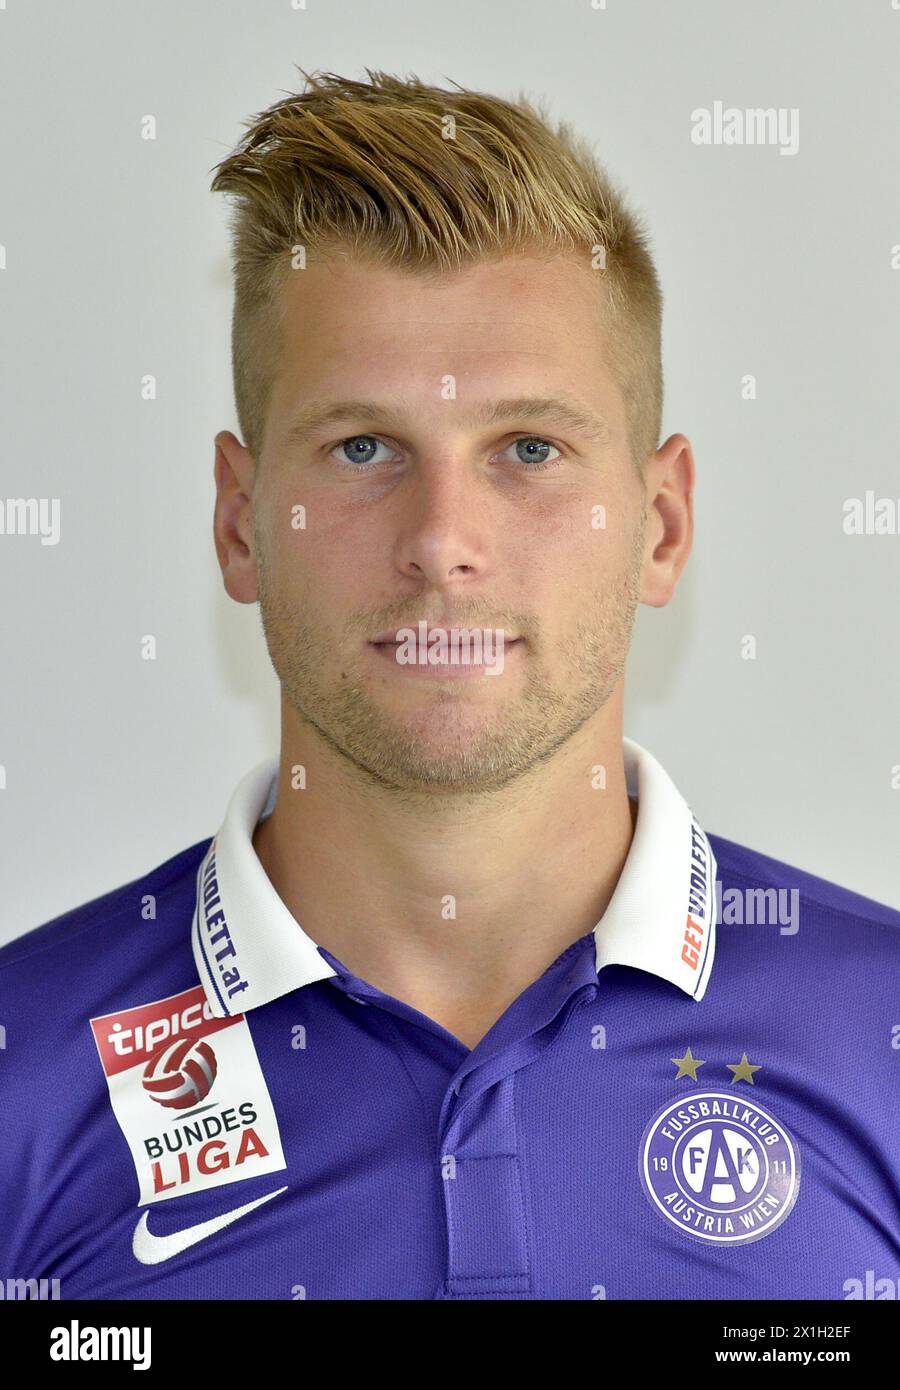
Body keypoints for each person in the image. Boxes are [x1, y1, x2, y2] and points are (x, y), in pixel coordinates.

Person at [1, 70, 897, 1302]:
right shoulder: (22, 1073)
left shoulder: (880, 1036)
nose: (442, 538)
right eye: (362, 448)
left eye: (530, 449)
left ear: (663, 525)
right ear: (240, 521)